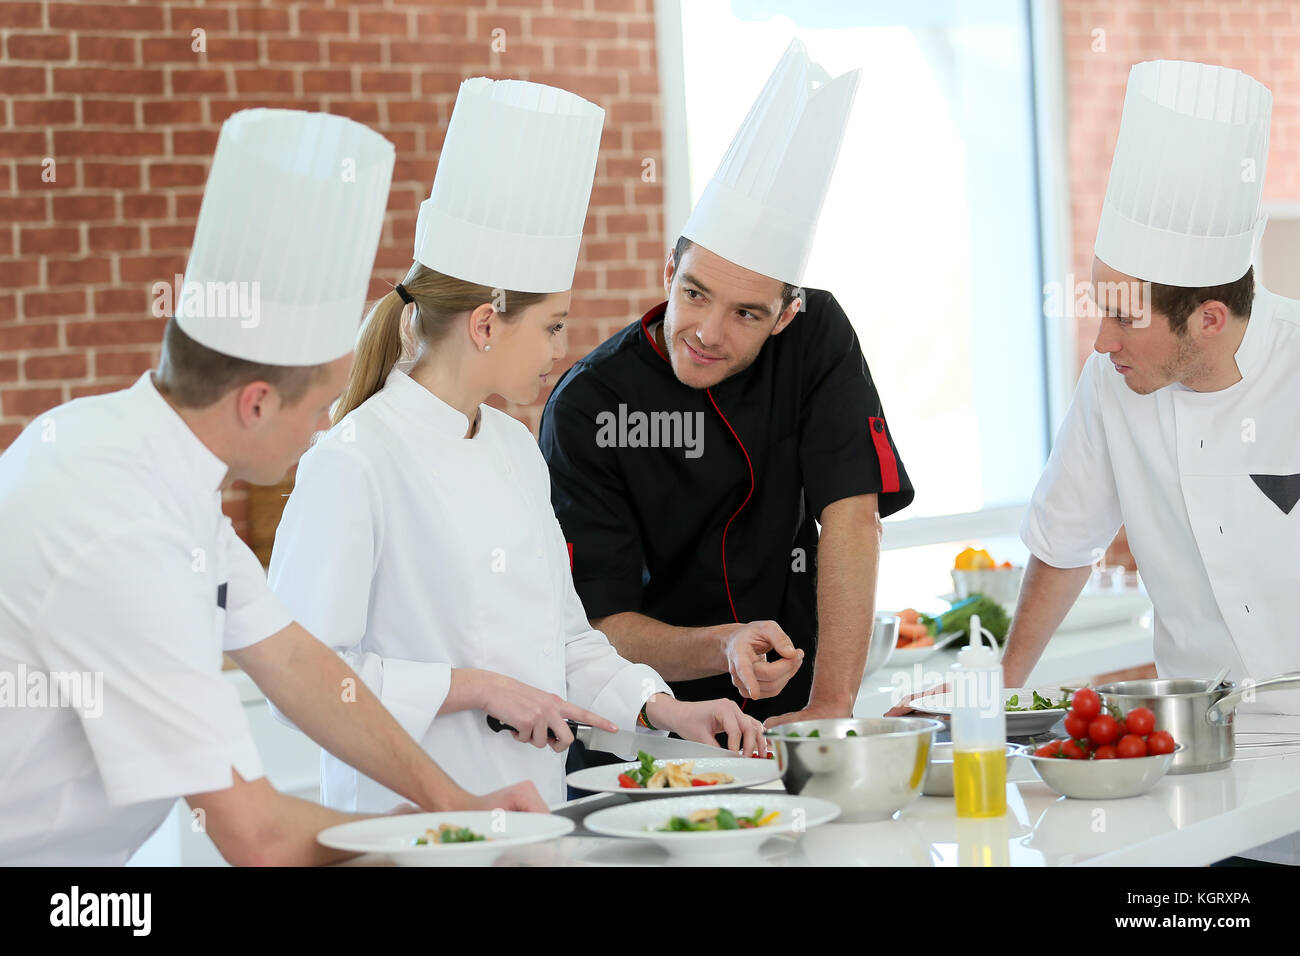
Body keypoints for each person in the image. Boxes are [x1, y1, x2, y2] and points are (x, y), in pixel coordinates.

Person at [0, 109, 543, 867]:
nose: (323, 429)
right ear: (255, 402)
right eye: (319, 403)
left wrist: (454, 804)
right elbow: (254, 835)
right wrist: (441, 846)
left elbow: (294, 661)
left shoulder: (141, 460)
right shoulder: (123, 526)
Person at [267, 79, 764, 811]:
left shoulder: (512, 446)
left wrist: (666, 710)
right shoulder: (352, 463)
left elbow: (567, 641)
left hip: (532, 818)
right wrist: (475, 688)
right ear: (486, 325)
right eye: (553, 326)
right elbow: (302, 683)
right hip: (409, 835)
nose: (562, 350)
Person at [539, 39, 913, 748]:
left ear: (786, 316)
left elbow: (853, 517)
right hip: (648, 731)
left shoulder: (818, 338)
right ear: (669, 267)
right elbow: (602, 628)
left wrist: (833, 704)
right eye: (695, 294)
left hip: (795, 720)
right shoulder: (588, 407)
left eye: (746, 314)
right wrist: (724, 644)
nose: (707, 333)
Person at [998, 60, 1299, 865]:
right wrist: (1000, 698)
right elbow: (1063, 542)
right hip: (1201, 759)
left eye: (1124, 318)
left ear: (1206, 318)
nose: (1101, 342)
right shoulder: (1111, 382)